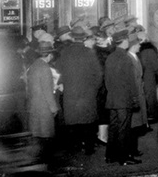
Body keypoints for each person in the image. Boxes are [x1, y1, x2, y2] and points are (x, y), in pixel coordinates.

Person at [54, 25, 103, 155]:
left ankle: (73, 148)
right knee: (88, 122)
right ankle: (89, 149)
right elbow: (98, 75)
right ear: (84, 38)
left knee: (72, 123)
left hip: (70, 94)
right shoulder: (90, 53)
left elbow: (59, 71)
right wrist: (94, 89)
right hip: (87, 94)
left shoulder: (65, 53)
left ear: (73, 37)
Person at [104, 29, 141, 165]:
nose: (128, 42)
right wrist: (135, 99)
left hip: (112, 99)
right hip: (124, 99)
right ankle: (123, 157)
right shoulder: (125, 58)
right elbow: (130, 81)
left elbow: (107, 81)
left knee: (113, 128)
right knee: (123, 129)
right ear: (124, 41)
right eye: (127, 40)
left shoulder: (110, 57)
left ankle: (110, 155)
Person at [26, 40, 59, 167]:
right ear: (50, 55)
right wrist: (53, 107)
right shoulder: (45, 68)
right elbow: (47, 91)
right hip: (44, 106)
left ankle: (39, 160)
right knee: (47, 135)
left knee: (38, 134)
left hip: (34, 105)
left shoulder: (34, 65)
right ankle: (47, 162)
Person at [127, 32, 150, 159]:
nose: (140, 46)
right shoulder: (129, 58)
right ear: (132, 46)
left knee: (136, 125)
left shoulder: (135, 57)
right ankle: (130, 150)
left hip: (139, 94)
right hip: (134, 95)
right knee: (132, 124)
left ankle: (133, 149)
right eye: (137, 44)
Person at [137, 31, 158, 124]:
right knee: (150, 96)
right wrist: (157, 73)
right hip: (149, 76)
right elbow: (155, 66)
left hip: (143, 76)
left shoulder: (139, 50)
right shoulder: (150, 50)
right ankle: (152, 115)